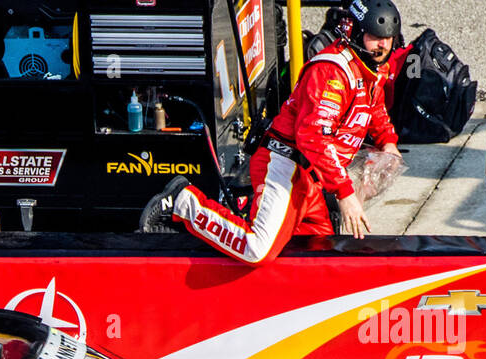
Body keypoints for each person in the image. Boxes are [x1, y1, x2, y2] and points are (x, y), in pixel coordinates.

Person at [141, 0, 403, 264]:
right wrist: (345, 194)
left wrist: (388, 142)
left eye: (388, 39)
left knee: (319, 261)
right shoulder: (332, 72)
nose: (382, 46)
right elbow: (313, 137)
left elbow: (373, 109)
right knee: (257, 249)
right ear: (356, 32)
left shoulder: (372, 69)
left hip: (312, 180)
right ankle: (183, 202)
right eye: (375, 38)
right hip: (284, 166)